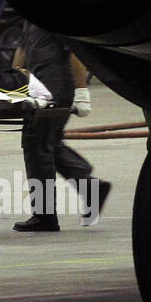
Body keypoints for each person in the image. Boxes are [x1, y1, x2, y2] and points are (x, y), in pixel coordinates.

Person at [11, 21, 111, 231]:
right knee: (49, 143)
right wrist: (12, 82)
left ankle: (45, 216)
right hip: (37, 87)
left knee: (37, 147)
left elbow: (76, 52)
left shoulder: (54, 12)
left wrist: (82, 91)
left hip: (55, 88)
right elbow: (22, 48)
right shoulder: (30, 15)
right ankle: (89, 186)